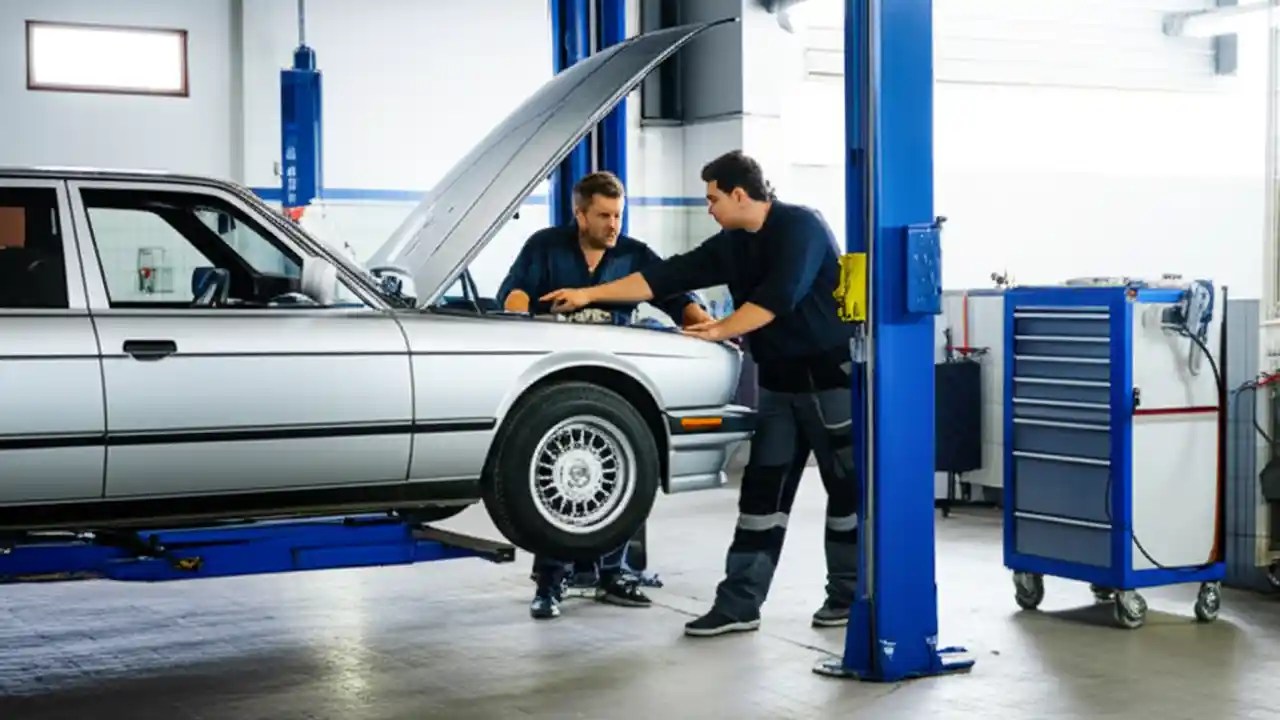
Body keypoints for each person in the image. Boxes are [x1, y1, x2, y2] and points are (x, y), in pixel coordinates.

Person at [540, 150, 859, 637]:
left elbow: (778, 299)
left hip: (829, 382)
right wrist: (588, 295)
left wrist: (718, 330)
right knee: (760, 498)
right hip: (777, 384)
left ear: (738, 193)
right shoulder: (732, 243)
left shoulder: (801, 227)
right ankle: (738, 605)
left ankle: (848, 596)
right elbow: (662, 277)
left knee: (848, 491)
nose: (708, 208)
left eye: (712, 198)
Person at [498, 170, 715, 620]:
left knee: (622, 480)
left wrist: (704, 323)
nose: (613, 224)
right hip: (558, 392)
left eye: (618, 214)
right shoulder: (545, 246)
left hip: (617, 393)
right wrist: (518, 318)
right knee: (557, 486)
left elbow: (674, 295)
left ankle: (614, 575)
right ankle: (550, 582)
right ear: (579, 214)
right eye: (603, 215)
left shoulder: (634, 255)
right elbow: (514, 290)